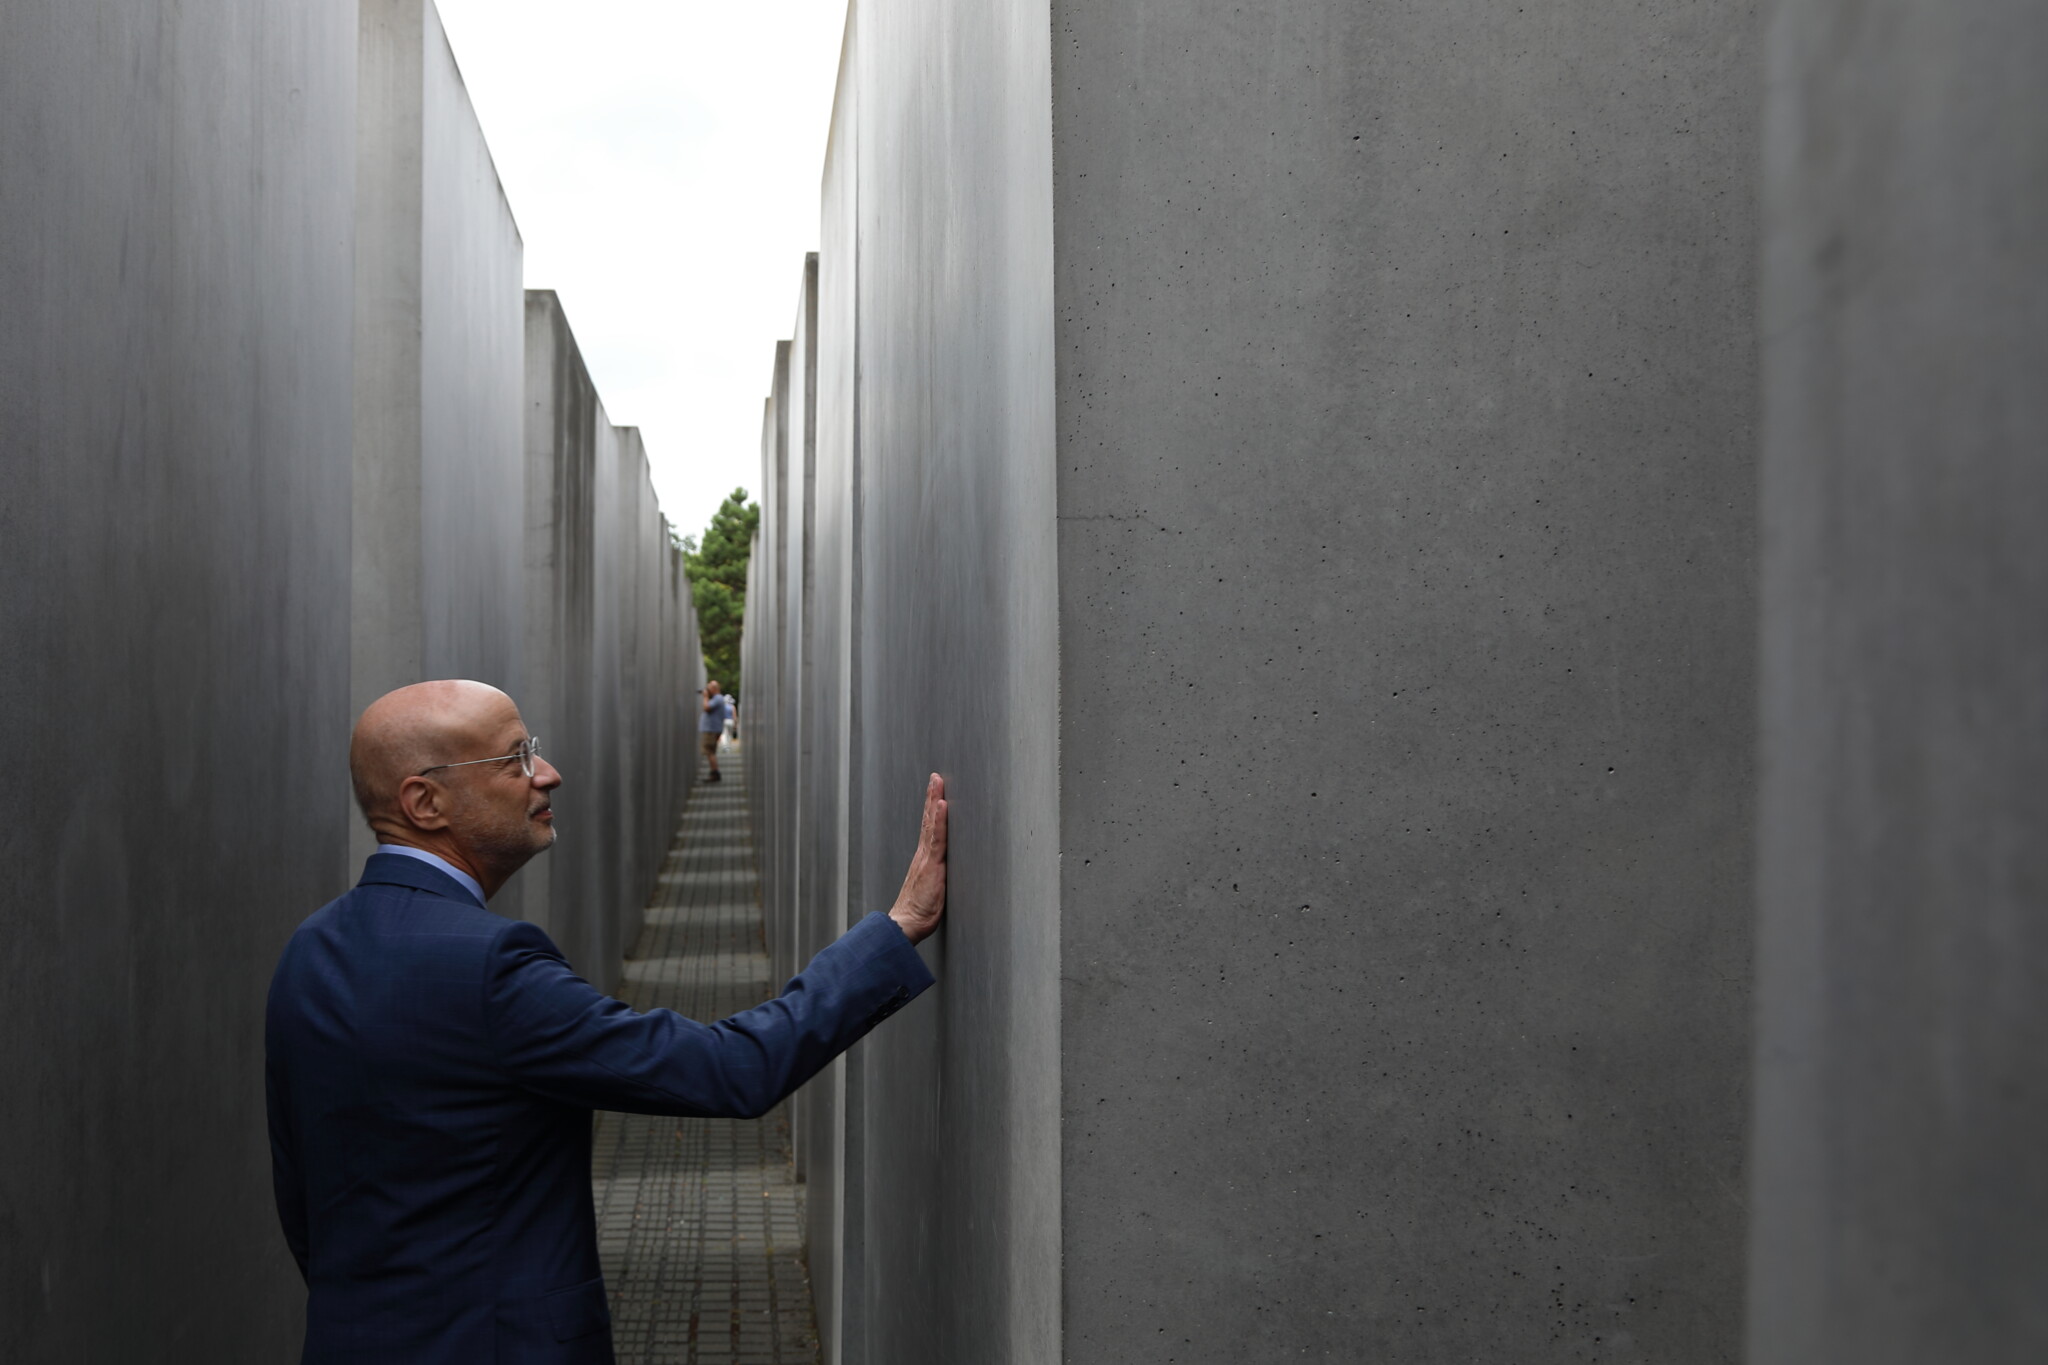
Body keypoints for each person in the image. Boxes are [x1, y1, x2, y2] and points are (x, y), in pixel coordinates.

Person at [265, 679, 946, 1364]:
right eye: (516, 759)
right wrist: (894, 932)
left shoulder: (308, 952)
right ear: (425, 802)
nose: (548, 773)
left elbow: (304, 1202)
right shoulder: (490, 965)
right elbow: (729, 1070)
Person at [699, 679, 733, 781]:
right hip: (712, 729)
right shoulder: (718, 698)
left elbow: (706, 707)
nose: (707, 690)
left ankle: (715, 773)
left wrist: (705, 697)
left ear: (714, 689)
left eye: (709, 688)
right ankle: (714, 773)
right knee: (711, 751)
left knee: (709, 752)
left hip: (711, 730)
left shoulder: (717, 698)